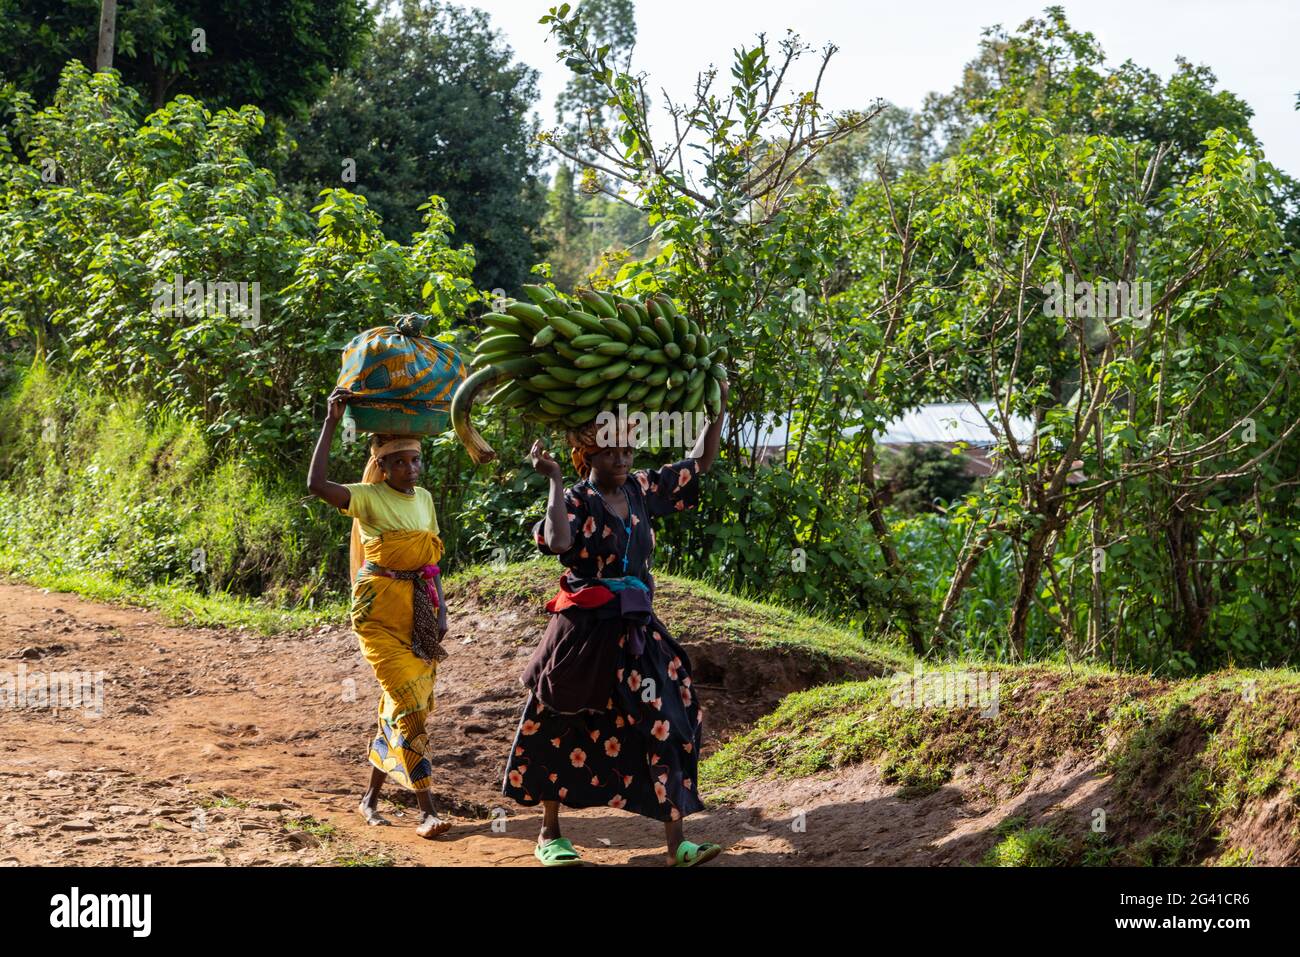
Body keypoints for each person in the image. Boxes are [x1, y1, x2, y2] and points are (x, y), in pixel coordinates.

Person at [502, 380, 730, 866]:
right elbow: (560, 543)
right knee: (559, 723)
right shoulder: (578, 500)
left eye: (627, 449)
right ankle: (549, 834)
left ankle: (677, 846)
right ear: (587, 457)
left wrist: (718, 406)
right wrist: (555, 479)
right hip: (582, 635)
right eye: (610, 452)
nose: (623, 459)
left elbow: (698, 463)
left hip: (635, 632)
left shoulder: (641, 489)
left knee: (668, 721)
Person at [307, 386, 452, 839]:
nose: (410, 469)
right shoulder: (367, 497)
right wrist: (331, 422)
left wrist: (441, 606)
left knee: (407, 703)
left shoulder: (424, 499)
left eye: (415, 461)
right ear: (382, 466)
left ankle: (370, 796)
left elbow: (430, 560)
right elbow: (316, 486)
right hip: (377, 613)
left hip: (419, 611)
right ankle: (426, 806)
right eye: (400, 462)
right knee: (410, 704)